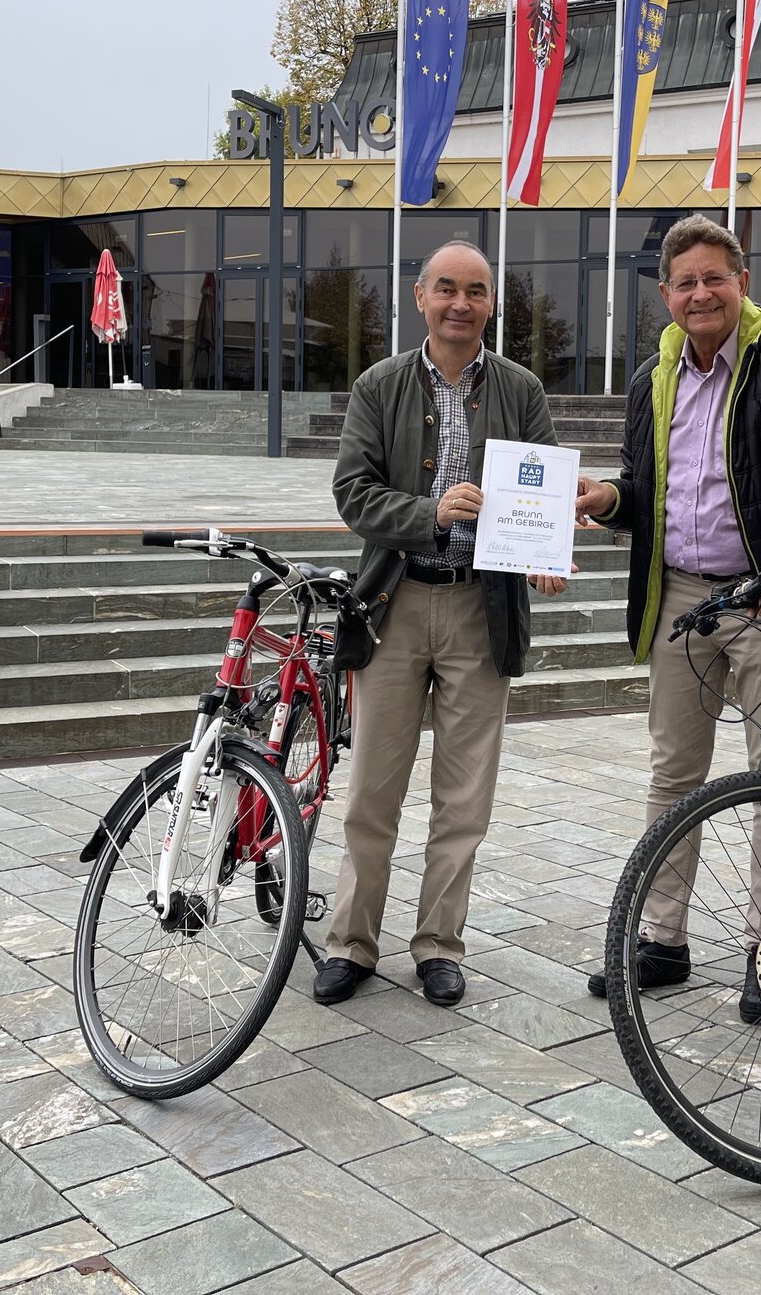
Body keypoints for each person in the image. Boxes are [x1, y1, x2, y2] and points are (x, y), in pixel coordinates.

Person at [575, 214, 761, 1025]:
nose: (700, 294)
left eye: (713, 278)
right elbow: (645, 486)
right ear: (666, 295)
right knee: (673, 772)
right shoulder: (652, 376)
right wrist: (609, 498)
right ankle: (662, 939)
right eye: (685, 282)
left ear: (743, 283)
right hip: (682, 597)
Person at [317, 240, 564, 1008]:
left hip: (481, 611)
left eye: (477, 291)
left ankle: (438, 945)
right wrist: (430, 512)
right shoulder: (379, 385)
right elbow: (353, 493)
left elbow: (543, 490)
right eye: (447, 288)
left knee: (464, 798)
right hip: (394, 605)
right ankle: (351, 943)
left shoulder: (520, 389)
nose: (461, 303)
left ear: (493, 304)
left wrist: (544, 550)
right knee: (372, 791)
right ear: (420, 297)